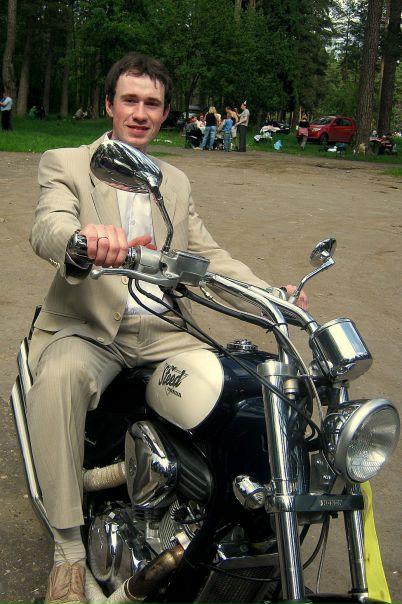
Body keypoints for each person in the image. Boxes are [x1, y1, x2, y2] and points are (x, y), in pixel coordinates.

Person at [26, 52, 307, 604]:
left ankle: (226, 515)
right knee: (59, 378)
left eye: (151, 104)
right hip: (91, 327)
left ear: (164, 113)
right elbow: (48, 224)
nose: (140, 113)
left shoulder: (173, 180)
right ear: (109, 105)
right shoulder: (67, 162)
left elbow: (208, 256)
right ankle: (68, 551)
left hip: (164, 329)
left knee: (241, 386)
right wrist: (82, 241)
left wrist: (273, 296)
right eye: (129, 100)